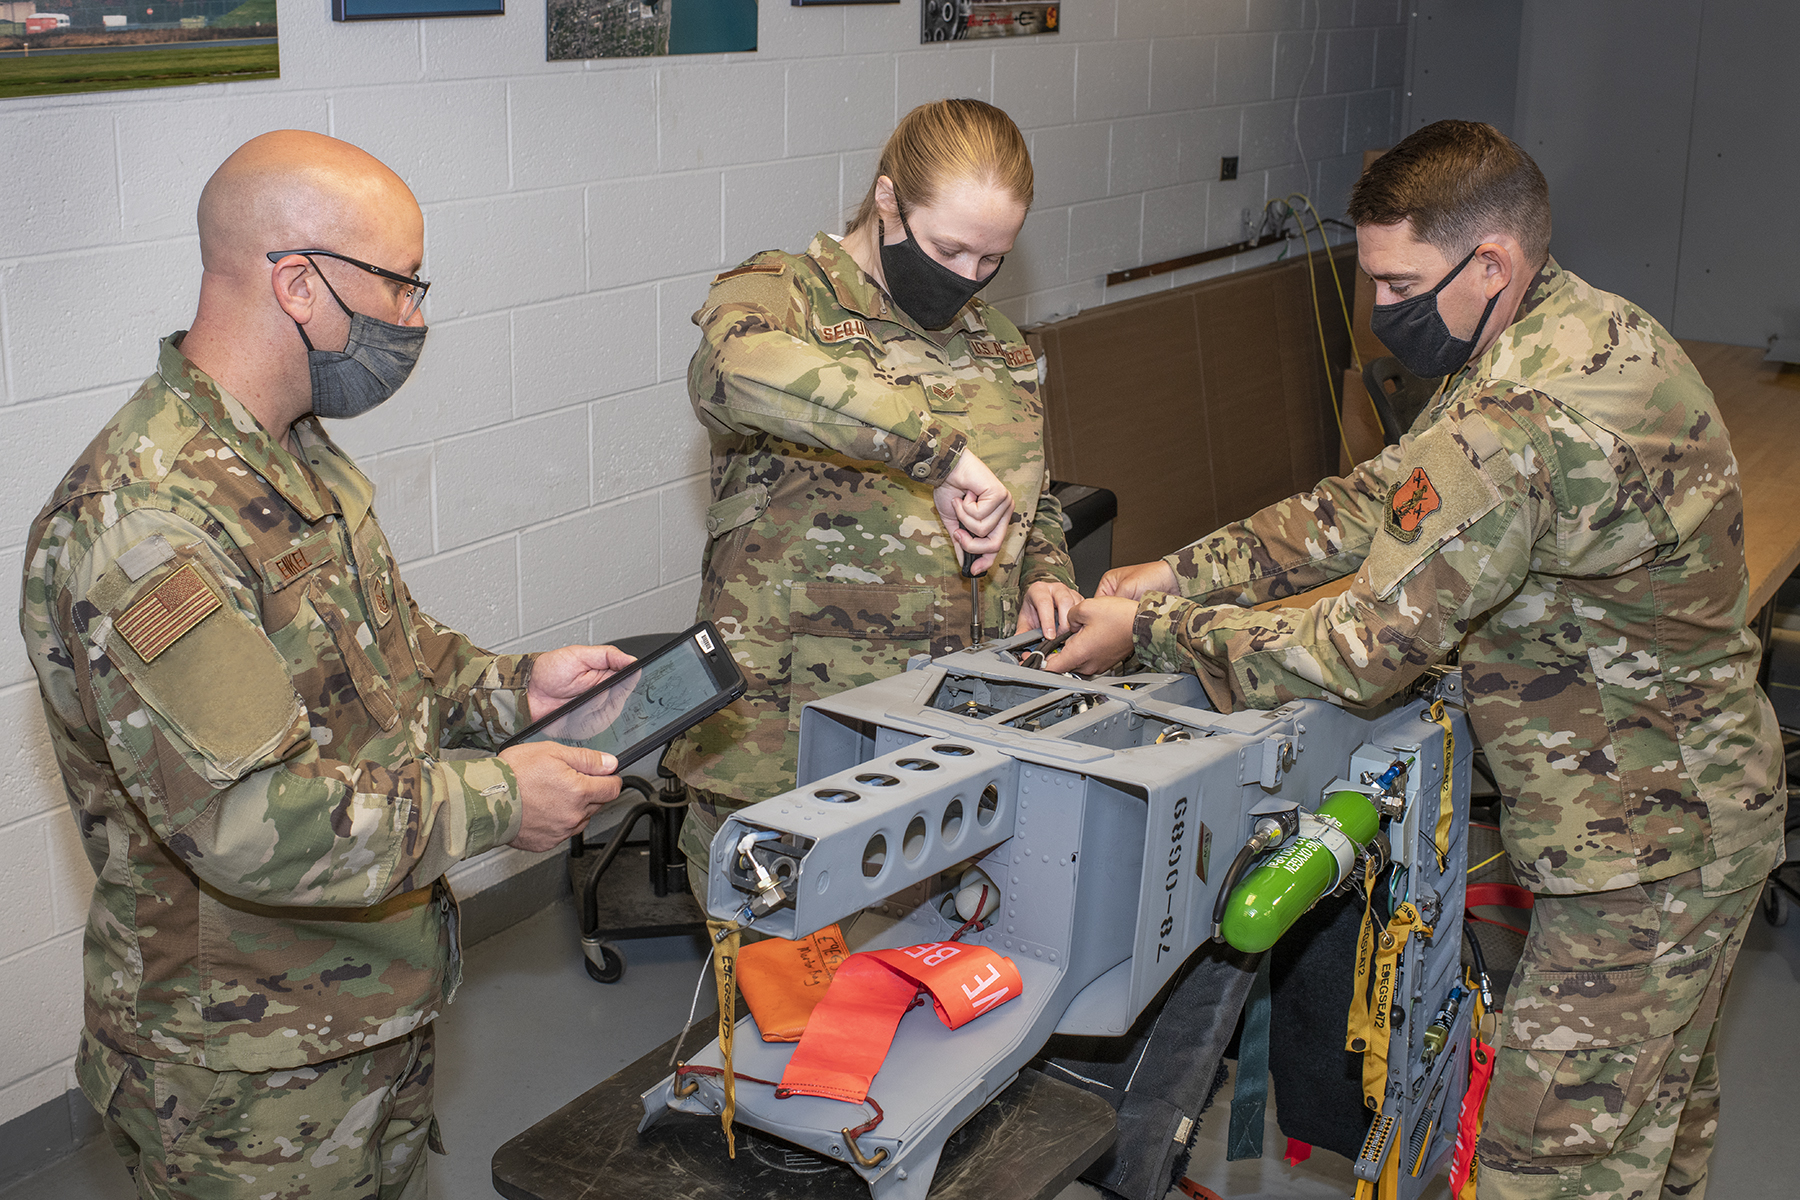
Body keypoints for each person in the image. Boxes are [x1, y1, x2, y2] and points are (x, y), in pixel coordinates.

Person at [1048, 120, 1784, 1198]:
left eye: (1398, 285)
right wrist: (1187, 570)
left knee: (1551, 1165)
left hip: (1644, 852)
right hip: (1702, 807)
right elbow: (1380, 497)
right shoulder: (1566, 327)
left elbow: (1361, 648)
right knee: (1659, 1122)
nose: (1380, 312)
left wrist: (1150, 632)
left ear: (1491, 261)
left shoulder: (1521, 419)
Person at [18, 130, 632, 1198]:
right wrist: (499, 803)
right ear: (298, 283)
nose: (416, 317)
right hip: (246, 1084)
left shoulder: (284, 447)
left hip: (364, 1009)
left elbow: (392, 664)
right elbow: (249, 820)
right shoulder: (147, 528)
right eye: (400, 283)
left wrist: (514, 691)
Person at [666, 98, 1082, 877]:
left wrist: (1047, 571)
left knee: (929, 988)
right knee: (790, 990)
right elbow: (728, 373)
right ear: (888, 199)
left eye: (991, 260)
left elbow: (1038, 496)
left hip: (950, 737)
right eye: (949, 248)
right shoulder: (782, 297)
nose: (967, 278)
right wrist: (941, 452)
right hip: (789, 746)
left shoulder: (998, 344)